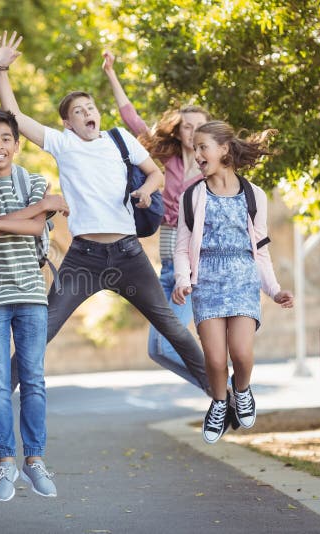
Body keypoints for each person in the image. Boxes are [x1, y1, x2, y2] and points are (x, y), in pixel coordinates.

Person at [0, 32, 211, 395]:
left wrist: (144, 190)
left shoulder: (120, 139)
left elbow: (155, 173)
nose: (86, 114)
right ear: (67, 123)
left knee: (172, 328)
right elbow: (14, 116)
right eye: (77, 112)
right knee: (43, 329)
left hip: (128, 254)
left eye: (89, 108)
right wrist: (1, 69)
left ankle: (222, 395)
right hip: (84, 258)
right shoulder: (62, 144)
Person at [0, 109, 68, 502]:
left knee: (34, 380)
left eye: (5, 138)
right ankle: (5, 464)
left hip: (31, 295)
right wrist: (38, 208)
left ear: (17, 144)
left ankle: (34, 461)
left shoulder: (35, 181)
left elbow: (36, 228)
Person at [172, 120, 294, 444]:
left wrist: (275, 289)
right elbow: (182, 247)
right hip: (207, 284)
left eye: (203, 147)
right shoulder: (192, 197)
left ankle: (242, 391)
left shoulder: (254, 195)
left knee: (240, 353)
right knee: (214, 358)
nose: (197, 154)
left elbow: (262, 252)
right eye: (194, 148)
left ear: (224, 148)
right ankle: (219, 401)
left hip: (243, 280)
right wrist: (183, 279)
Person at [102, 50, 211, 388]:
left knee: (165, 345)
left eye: (199, 128)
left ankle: (222, 391)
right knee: (156, 350)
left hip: (194, 269)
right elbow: (133, 121)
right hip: (165, 266)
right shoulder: (165, 160)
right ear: (178, 132)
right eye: (187, 127)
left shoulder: (216, 172)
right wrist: (111, 75)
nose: (193, 133)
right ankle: (221, 392)